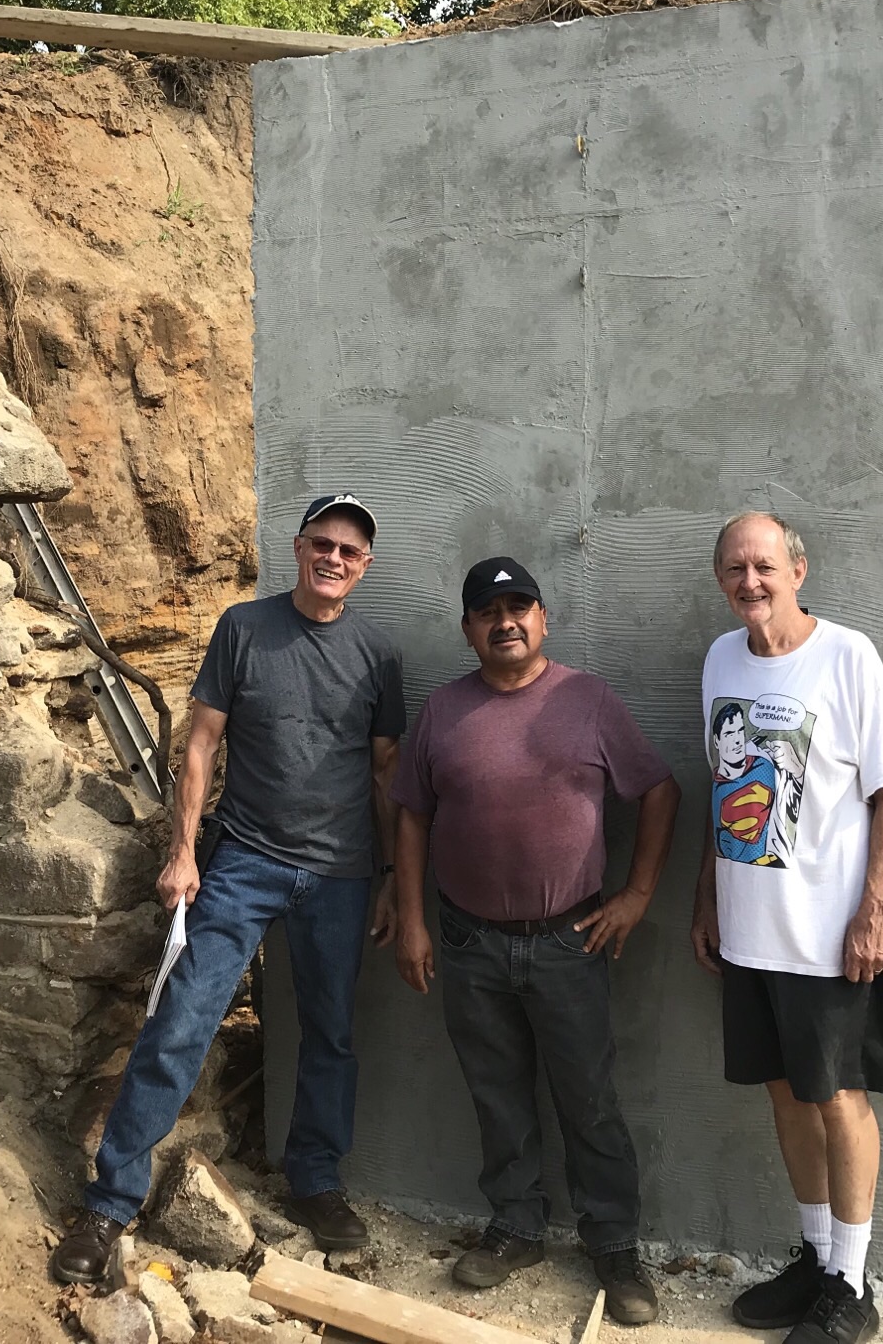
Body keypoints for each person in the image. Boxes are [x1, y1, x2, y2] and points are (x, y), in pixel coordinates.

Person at [50, 493, 405, 1292]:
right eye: (323, 543)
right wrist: (184, 854)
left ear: (365, 566)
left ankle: (314, 1180)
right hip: (243, 861)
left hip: (342, 876)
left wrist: (388, 882)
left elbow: (386, 775)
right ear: (298, 546)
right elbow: (201, 743)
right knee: (181, 1018)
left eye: (350, 551)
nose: (334, 559)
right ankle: (110, 1203)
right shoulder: (245, 628)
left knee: (331, 1033)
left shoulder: (379, 654)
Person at [391, 556, 681, 1328]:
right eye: (489, 611)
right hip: (468, 939)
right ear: (468, 629)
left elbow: (658, 789)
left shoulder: (587, 701)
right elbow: (412, 813)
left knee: (588, 1098)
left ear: (543, 619)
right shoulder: (443, 712)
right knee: (495, 1091)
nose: (506, 620)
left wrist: (637, 896)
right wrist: (412, 918)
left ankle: (614, 1246)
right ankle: (516, 1226)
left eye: (520, 606)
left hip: (568, 942)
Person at [692, 513, 883, 1344]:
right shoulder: (719, 659)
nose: (751, 581)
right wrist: (706, 900)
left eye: (765, 565)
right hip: (750, 932)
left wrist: (875, 912)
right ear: (720, 579)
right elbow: (722, 786)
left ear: (798, 569)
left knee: (839, 1100)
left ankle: (853, 1286)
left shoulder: (847, 657)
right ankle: (819, 1260)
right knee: (786, 1097)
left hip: (828, 938)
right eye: (735, 568)